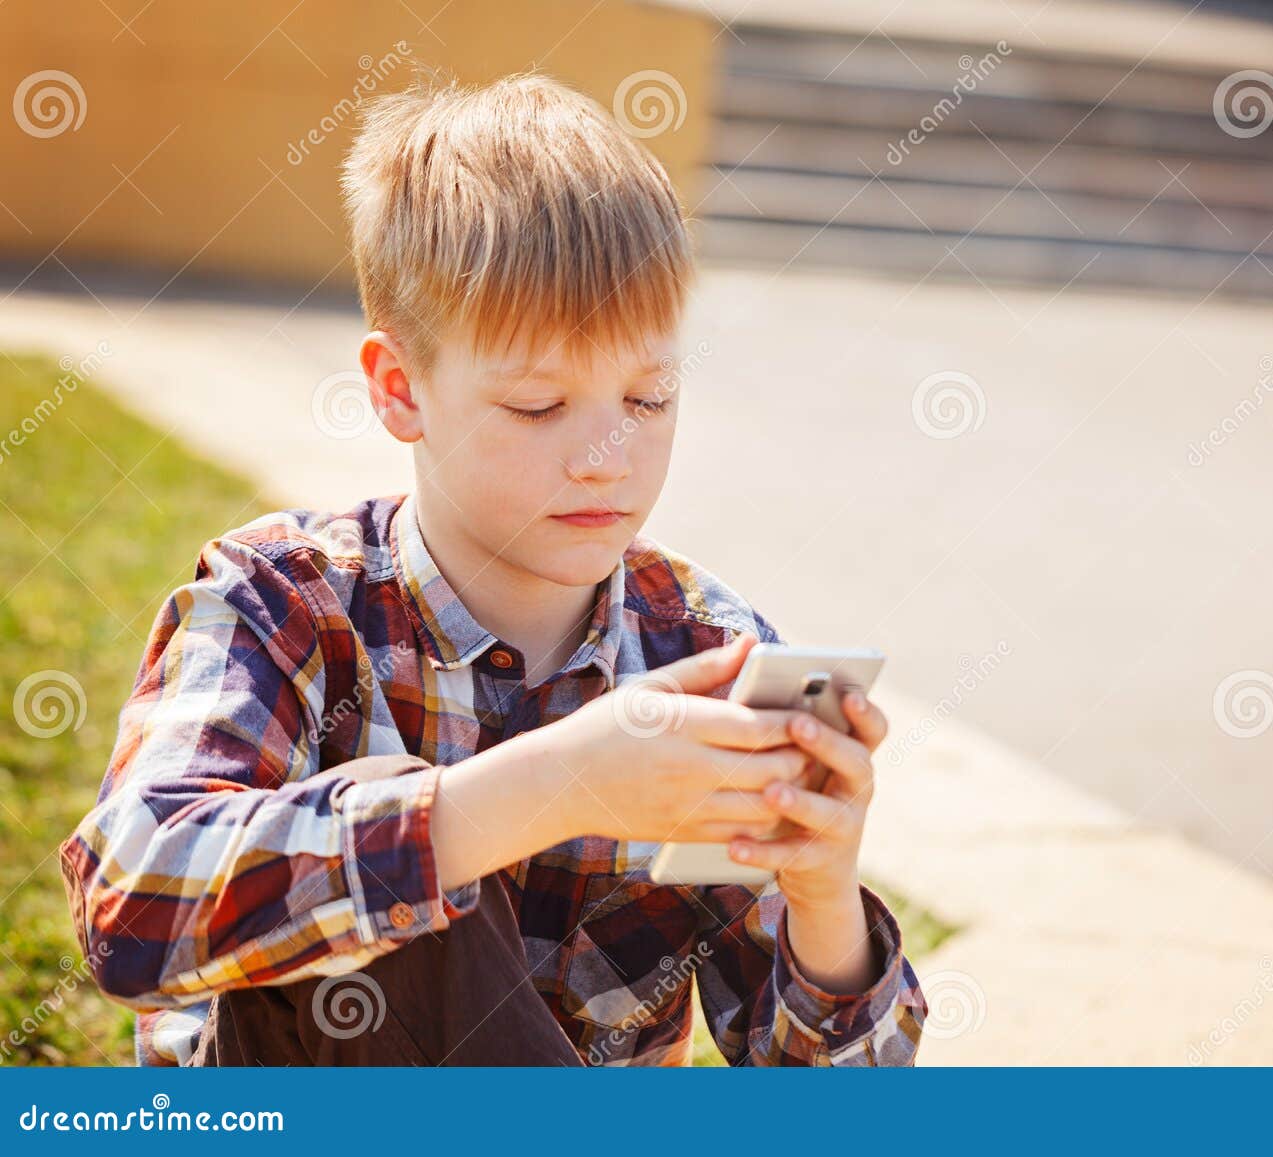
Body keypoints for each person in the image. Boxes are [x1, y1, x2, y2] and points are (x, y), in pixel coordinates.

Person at [57, 67, 925, 1067]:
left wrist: (822, 897)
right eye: (535, 405)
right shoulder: (277, 599)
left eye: (648, 398)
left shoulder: (706, 649)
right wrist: (552, 784)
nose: (607, 454)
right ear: (399, 389)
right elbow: (132, 914)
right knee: (383, 848)